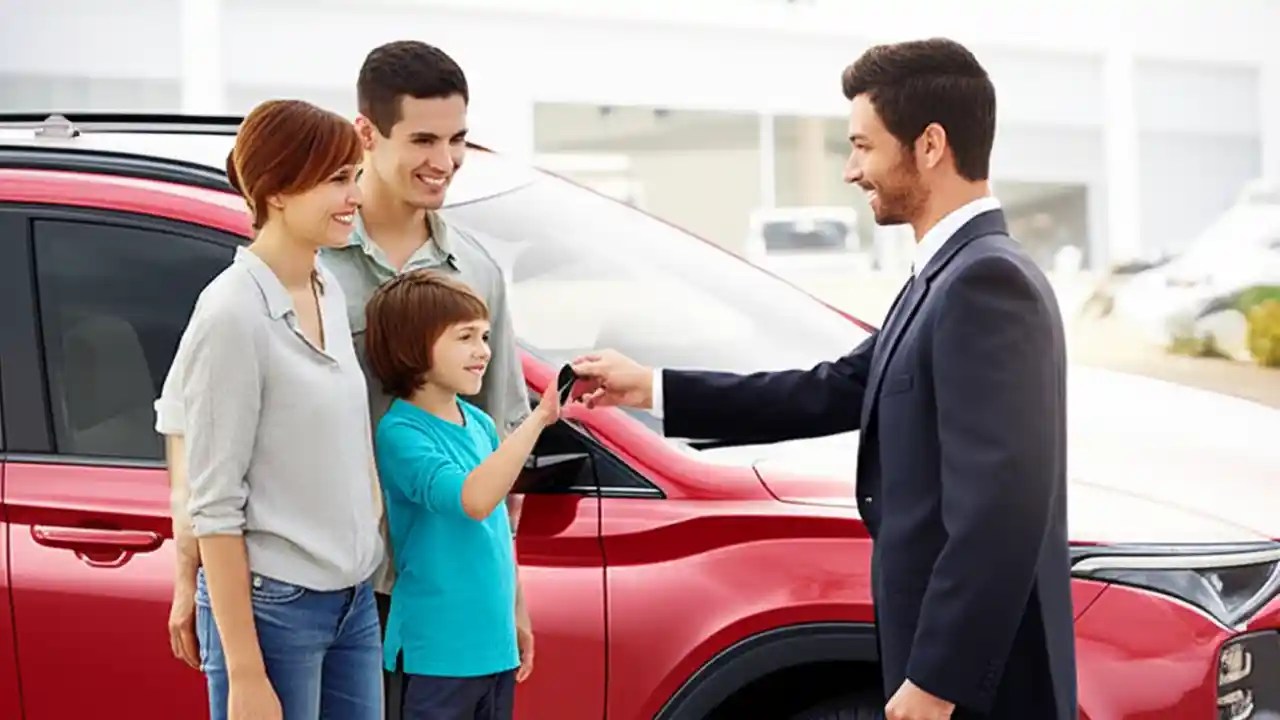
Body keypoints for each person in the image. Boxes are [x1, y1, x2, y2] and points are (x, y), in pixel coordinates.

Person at [570, 38, 1076, 720]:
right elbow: (832, 388)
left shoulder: (985, 284)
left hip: (974, 693)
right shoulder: (948, 274)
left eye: (863, 146)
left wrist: (937, 682)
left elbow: (999, 513)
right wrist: (651, 388)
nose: (850, 170)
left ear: (929, 145)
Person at [161, 40, 533, 720]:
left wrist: (506, 597)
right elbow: (192, 427)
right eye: (423, 138)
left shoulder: (456, 273)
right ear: (368, 132)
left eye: (458, 140)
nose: (444, 161)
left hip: (412, 593)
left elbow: (501, 431)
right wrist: (193, 575)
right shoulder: (286, 272)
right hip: (307, 579)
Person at [157, 99, 385, 719]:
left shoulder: (326, 285)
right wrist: (246, 672)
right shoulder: (231, 314)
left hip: (352, 602)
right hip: (274, 609)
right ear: (279, 191)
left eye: (355, 176)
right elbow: (215, 503)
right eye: (339, 179)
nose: (355, 196)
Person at [363, 270, 559, 719]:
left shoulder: (482, 425)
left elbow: (496, 532)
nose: (483, 352)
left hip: (493, 649)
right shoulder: (401, 432)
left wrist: (518, 612)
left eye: (486, 336)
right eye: (465, 337)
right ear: (412, 346)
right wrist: (538, 418)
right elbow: (473, 500)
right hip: (435, 654)